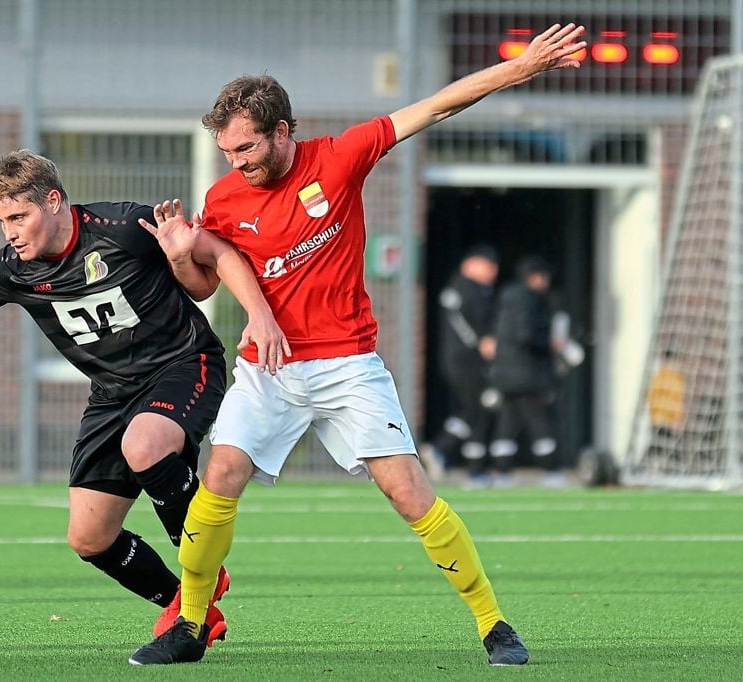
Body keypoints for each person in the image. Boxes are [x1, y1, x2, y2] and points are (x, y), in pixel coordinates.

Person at [128, 22, 587, 667]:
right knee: (221, 476)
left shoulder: (339, 158)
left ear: (284, 130)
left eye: (249, 147)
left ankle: (494, 624)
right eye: (229, 151)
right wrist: (180, 257)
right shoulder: (224, 198)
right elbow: (205, 285)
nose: (238, 163)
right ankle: (191, 625)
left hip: (347, 366)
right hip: (270, 370)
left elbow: (435, 106)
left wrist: (517, 68)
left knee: (409, 494)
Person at [0, 149, 291, 648]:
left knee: (144, 445)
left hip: (183, 365)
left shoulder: (126, 227)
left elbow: (220, 258)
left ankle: (203, 569)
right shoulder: (14, 269)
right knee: (89, 538)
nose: (10, 233)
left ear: (54, 201)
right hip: (111, 394)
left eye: (19, 217)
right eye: (2, 221)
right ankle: (191, 607)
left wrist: (255, 310)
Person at [421, 244, 499, 487]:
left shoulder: (475, 290)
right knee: (476, 410)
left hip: (466, 361)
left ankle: (439, 449)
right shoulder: (463, 289)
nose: (493, 271)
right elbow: (463, 322)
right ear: (472, 264)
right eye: (489, 265)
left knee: (469, 412)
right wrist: (481, 341)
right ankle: (473, 471)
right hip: (463, 362)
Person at [488, 255, 565, 487]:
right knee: (539, 419)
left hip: (506, 373)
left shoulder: (506, 298)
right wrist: (549, 343)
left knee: (508, 421)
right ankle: (551, 470)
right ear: (535, 277)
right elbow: (526, 334)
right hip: (527, 373)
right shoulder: (530, 300)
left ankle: (501, 471)